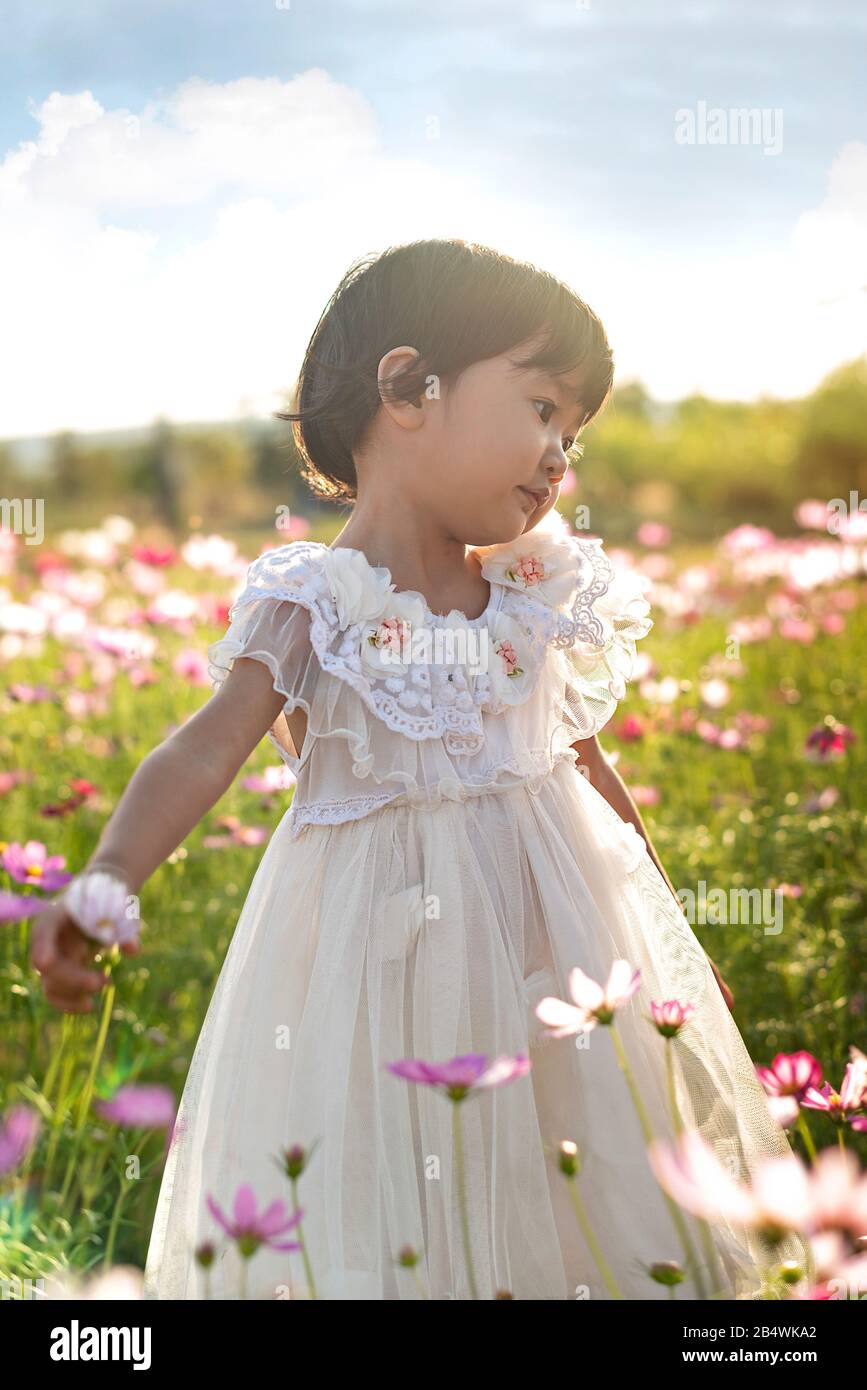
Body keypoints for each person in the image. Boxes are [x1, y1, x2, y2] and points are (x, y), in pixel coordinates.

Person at [31, 239, 805, 1300]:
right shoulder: (317, 601)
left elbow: (583, 768)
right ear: (408, 387)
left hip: (563, 958)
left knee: (574, 1179)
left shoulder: (532, 592)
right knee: (399, 1196)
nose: (558, 458)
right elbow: (204, 744)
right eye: (542, 409)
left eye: (572, 435)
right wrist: (106, 877)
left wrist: (666, 936)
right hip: (375, 978)